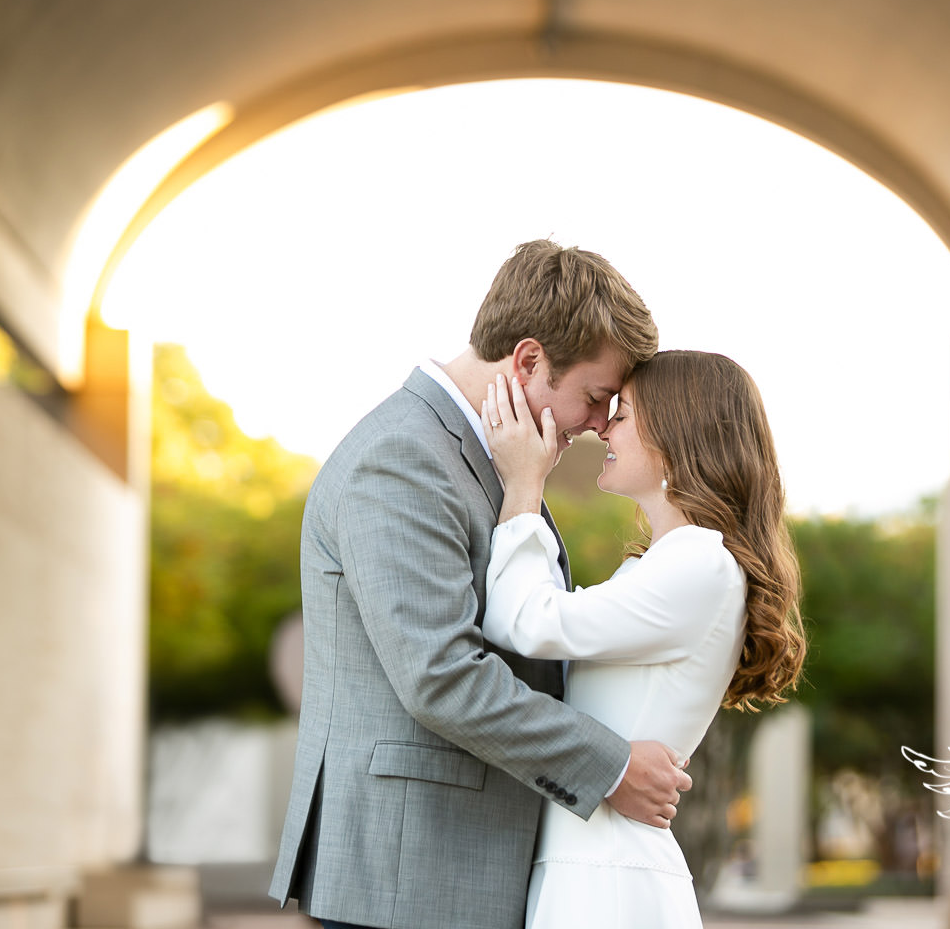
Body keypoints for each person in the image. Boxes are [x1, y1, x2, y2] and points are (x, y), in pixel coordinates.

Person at [269, 240, 694, 929]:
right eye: (593, 396)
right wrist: (610, 766)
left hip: (442, 870)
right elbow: (439, 675)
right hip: (407, 878)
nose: (596, 424)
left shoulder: (496, 460)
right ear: (528, 361)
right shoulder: (405, 458)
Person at [478, 349, 808, 928]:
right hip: (593, 869)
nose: (602, 426)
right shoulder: (672, 563)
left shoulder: (699, 566)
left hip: (607, 883)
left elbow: (527, 621)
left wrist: (524, 481)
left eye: (622, 414)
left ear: (677, 439)